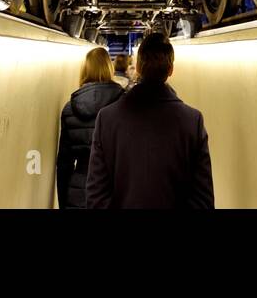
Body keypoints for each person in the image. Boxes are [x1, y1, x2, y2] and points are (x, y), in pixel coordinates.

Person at [85, 32, 214, 209]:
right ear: (170, 70)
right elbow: (202, 200)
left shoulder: (107, 119)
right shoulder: (193, 121)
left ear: (138, 67)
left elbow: (96, 196)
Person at [56, 47, 124, 209]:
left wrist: (64, 202)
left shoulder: (70, 109)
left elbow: (64, 163)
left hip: (80, 191)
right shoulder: (124, 104)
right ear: (109, 68)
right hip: (113, 188)